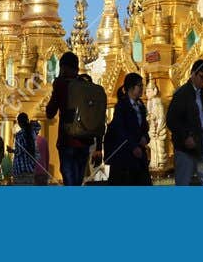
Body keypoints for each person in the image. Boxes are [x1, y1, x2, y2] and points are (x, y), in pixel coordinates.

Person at [44, 51, 99, 186]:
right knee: (78, 181)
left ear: (63, 67)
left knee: (70, 181)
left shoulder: (61, 85)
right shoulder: (86, 84)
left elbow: (50, 112)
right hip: (85, 140)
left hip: (67, 140)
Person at [167, 59, 203, 185]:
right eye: (202, 77)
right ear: (193, 74)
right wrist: (185, 136)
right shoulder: (182, 94)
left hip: (201, 142)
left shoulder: (201, 94)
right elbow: (171, 120)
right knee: (183, 184)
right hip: (185, 146)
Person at [104, 72, 151, 185]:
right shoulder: (121, 107)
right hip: (125, 155)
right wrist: (133, 146)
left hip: (139, 154)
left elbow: (144, 128)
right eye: (139, 86)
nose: (142, 89)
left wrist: (145, 137)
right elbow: (120, 130)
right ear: (131, 88)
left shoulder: (140, 106)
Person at [11, 113, 39, 185]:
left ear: (19, 123)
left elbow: (20, 151)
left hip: (20, 168)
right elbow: (38, 125)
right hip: (30, 167)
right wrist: (29, 122)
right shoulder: (32, 132)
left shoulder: (19, 135)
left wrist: (12, 151)